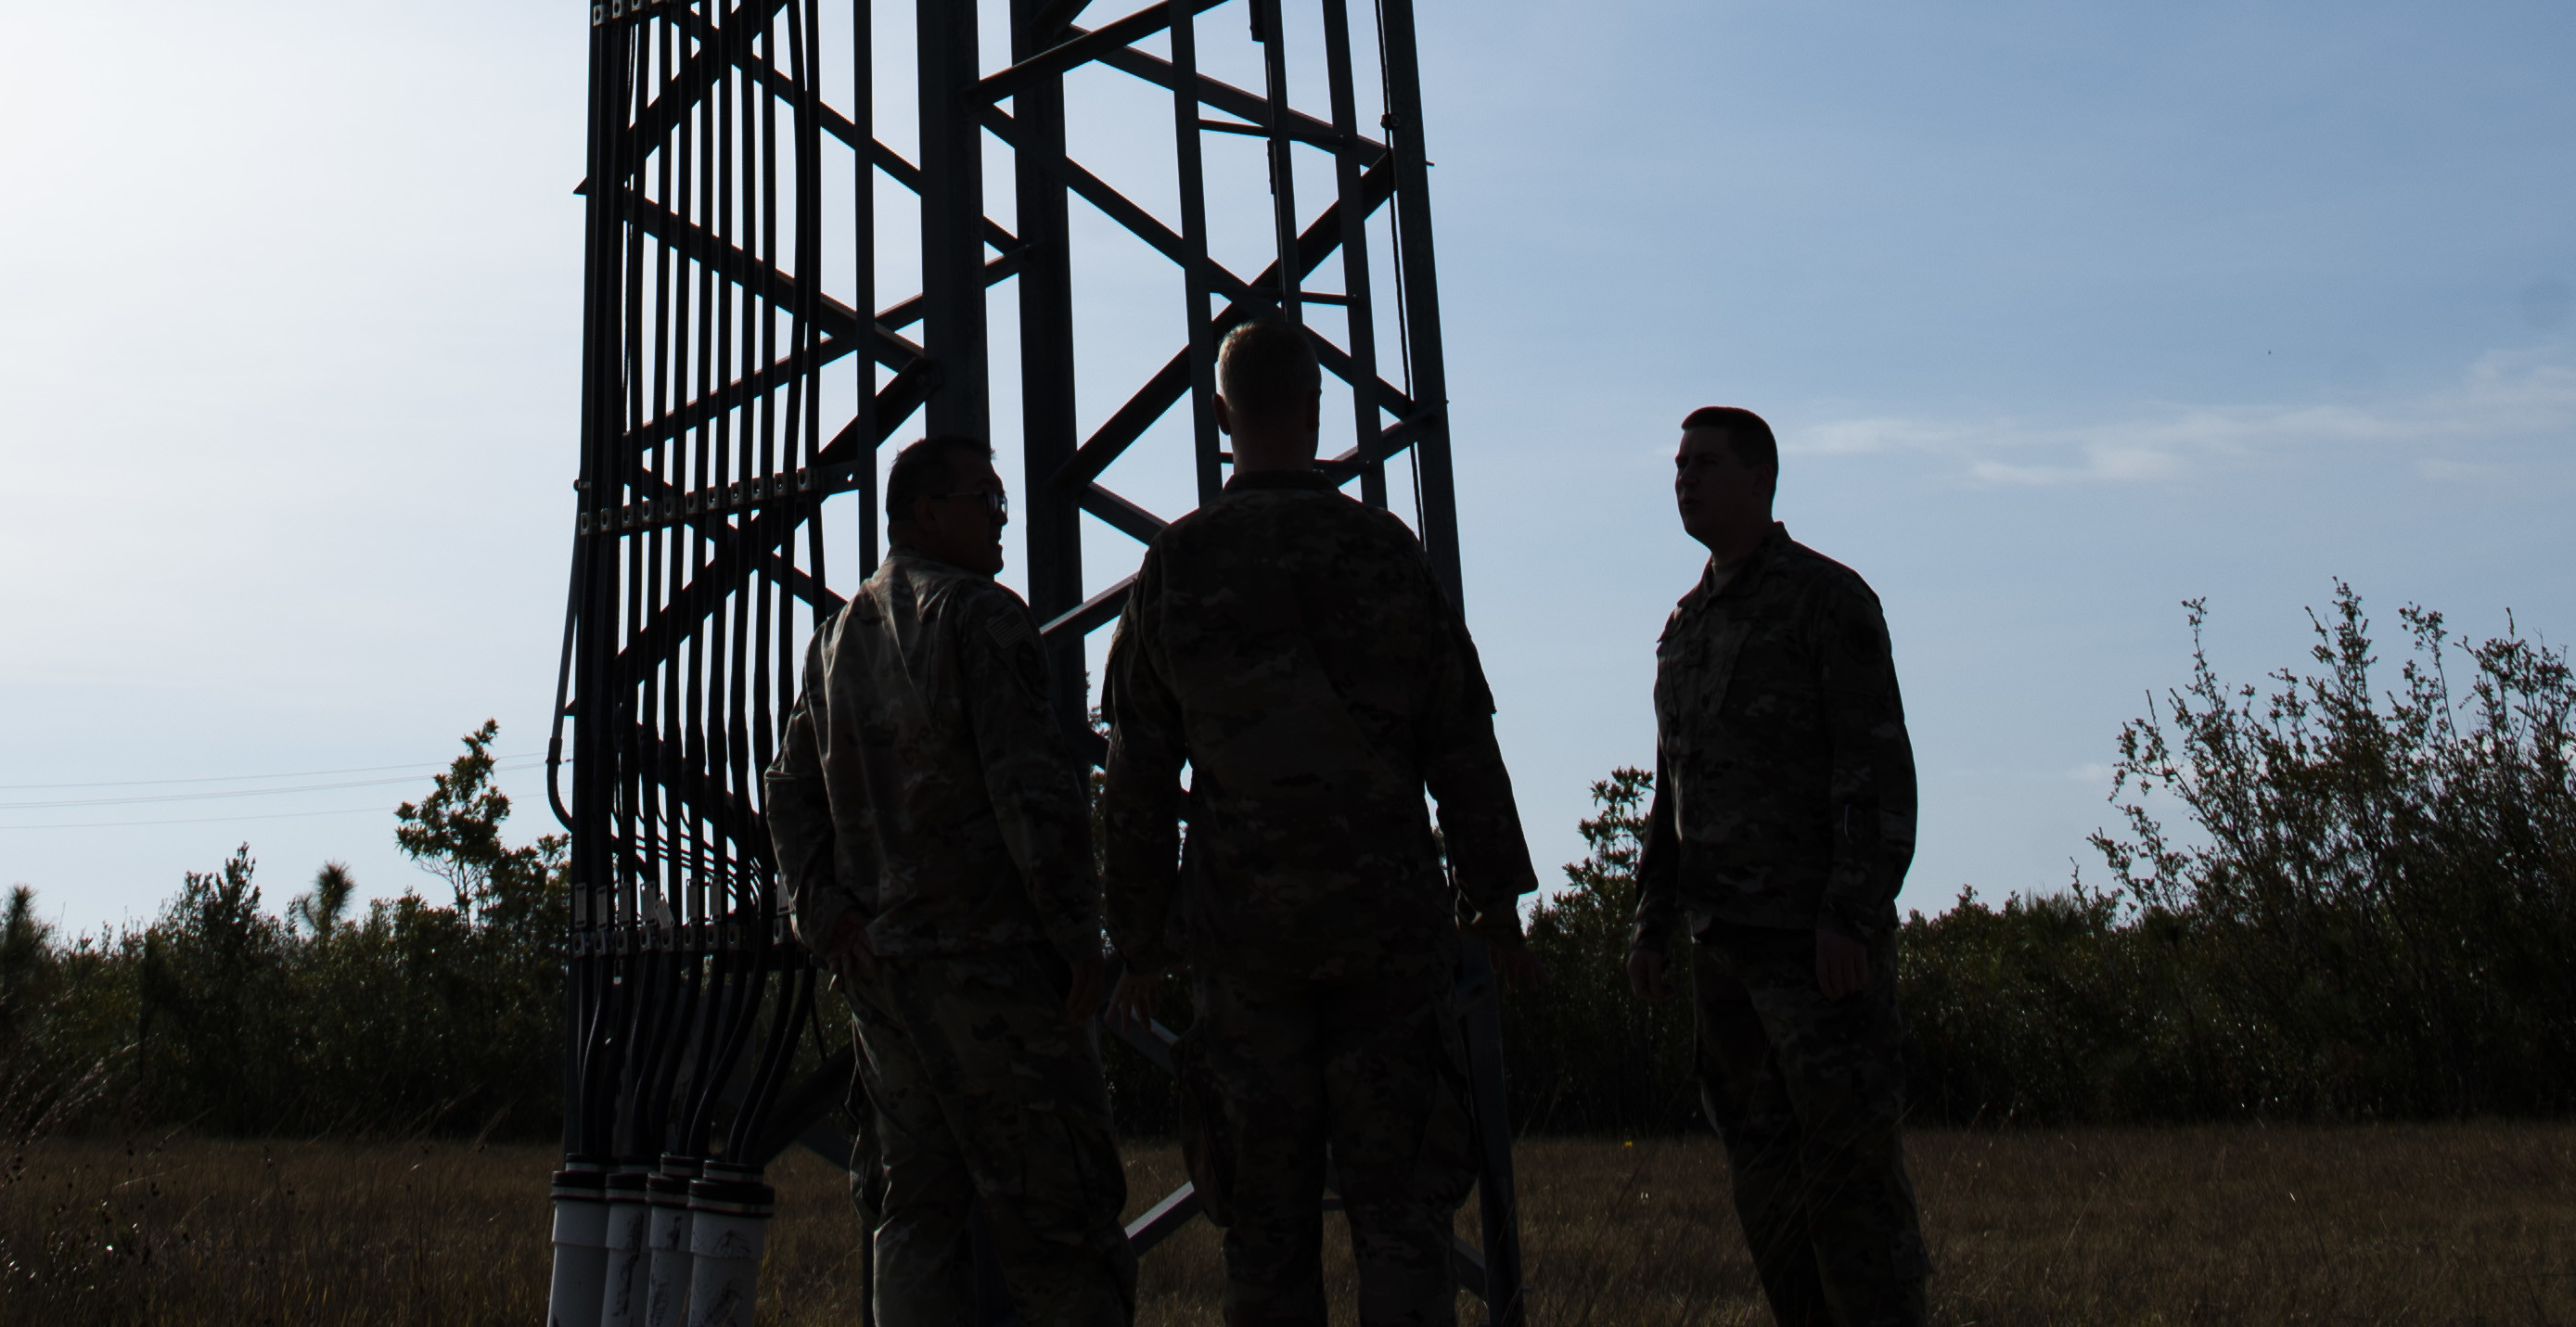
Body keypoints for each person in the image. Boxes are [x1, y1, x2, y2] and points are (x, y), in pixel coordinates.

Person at [1099, 311, 1537, 1327]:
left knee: (1263, 1228)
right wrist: (1495, 903)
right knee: (1399, 1220)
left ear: (1220, 416)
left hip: (1242, 943)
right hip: (1387, 934)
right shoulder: (1383, 554)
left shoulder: (1178, 564)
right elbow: (1460, 742)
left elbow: (1136, 780)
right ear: (1314, 408)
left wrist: (1140, 942)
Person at [765, 433, 1133, 1327]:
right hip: (994, 976)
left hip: (887, 983)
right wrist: (1079, 933)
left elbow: (786, 790)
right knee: (1061, 1223)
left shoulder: (838, 636)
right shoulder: (979, 614)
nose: (1001, 518)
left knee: (914, 1216)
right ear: (925, 513)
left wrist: (827, 919)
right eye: (984, 500)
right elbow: (1030, 788)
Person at [1629, 403, 1930, 1327]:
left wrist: (1849, 911)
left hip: (1812, 952)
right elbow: (1669, 792)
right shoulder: (1684, 627)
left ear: (1757, 479)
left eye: (1704, 464)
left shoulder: (1825, 601)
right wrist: (1649, 921)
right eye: (1678, 464)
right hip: (1721, 952)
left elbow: (1873, 768)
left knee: (1848, 1180)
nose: (1683, 478)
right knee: (1762, 1184)